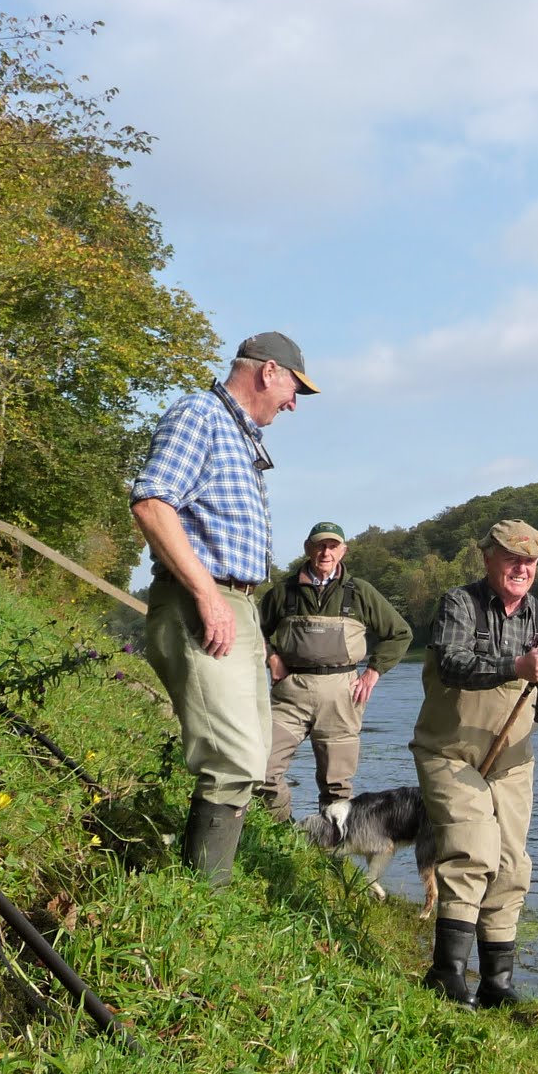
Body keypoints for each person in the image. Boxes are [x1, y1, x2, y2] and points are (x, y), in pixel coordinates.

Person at [129, 331, 319, 887]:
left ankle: (208, 888)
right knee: (233, 755)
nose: (291, 404)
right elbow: (152, 502)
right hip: (203, 600)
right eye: (293, 389)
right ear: (268, 372)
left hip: (237, 604)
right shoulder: (201, 416)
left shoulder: (238, 435)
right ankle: (204, 895)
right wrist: (209, 598)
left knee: (251, 754)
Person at [410, 519, 538, 1008]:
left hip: (512, 762)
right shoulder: (459, 604)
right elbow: (451, 662)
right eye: (513, 558)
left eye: (530, 561)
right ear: (488, 557)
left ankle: (498, 984)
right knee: (472, 851)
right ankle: (446, 973)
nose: (522, 568)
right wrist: (515, 667)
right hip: (447, 752)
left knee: (512, 864)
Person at [257, 521, 412, 820]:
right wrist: (272, 658)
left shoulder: (361, 592)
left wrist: (373, 671)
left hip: (343, 695)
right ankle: (284, 834)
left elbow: (400, 634)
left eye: (332, 546)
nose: (325, 552)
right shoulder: (283, 592)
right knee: (261, 768)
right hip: (291, 694)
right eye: (319, 545)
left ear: (343, 551)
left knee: (337, 790)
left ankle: (327, 855)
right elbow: (252, 631)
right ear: (308, 549)